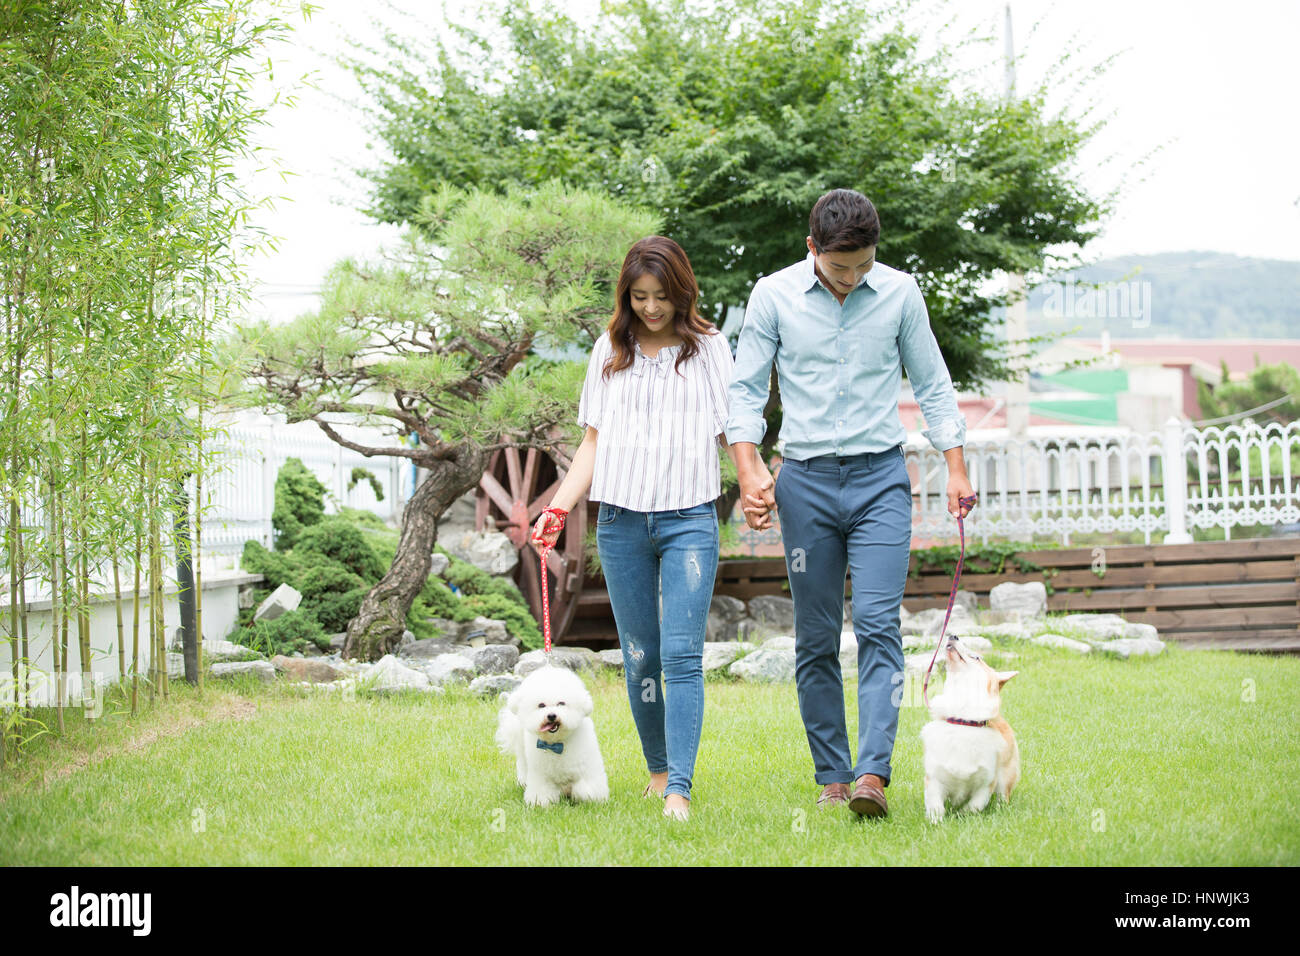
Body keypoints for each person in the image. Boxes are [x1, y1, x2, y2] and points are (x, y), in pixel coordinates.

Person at [725, 188, 975, 818]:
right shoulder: (772, 295)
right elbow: (746, 390)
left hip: (880, 481)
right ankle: (832, 774)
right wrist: (750, 469)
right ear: (812, 250)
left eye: (864, 265)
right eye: (841, 269)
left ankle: (873, 774)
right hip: (804, 482)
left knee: (877, 623)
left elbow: (934, 384)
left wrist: (955, 467)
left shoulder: (900, 293)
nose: (853, 278)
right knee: (814, 636)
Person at [530, 235, 737, 822]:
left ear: (682, 292)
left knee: (681, 656)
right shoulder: (608, 350)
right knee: (640, 655)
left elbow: (731, 432)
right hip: (619, 520)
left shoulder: (710, 349)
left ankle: (681, 788)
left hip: (689, 519)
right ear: (627, 295)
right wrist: (559, 507)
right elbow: (592, 442)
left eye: (663, 297)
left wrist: (756, 481)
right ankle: (656, 770)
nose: (651, 308)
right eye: (641, 297)